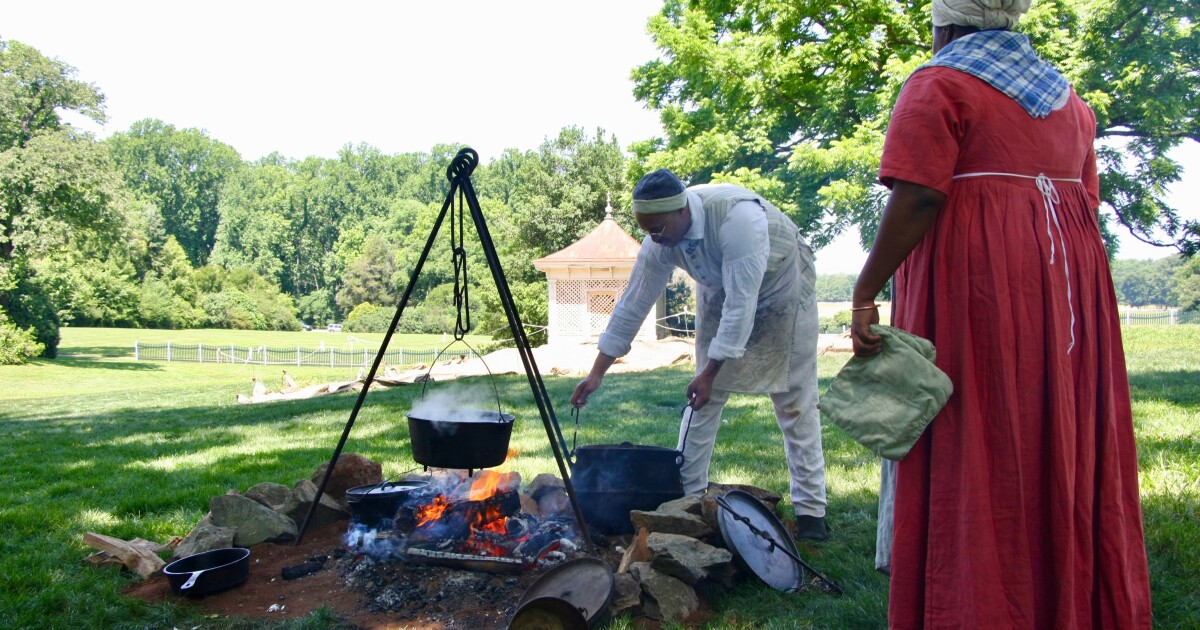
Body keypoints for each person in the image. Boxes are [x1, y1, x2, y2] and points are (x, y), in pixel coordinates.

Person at [851, 0, 1152, 627]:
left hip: (977, 285)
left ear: (945, 24)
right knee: (1054, 422)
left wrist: (865, 289)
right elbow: (1085, 203)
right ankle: (1062, 597)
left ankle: (980, 603)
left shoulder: (938, 84)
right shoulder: (1070, 103)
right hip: (1065, 293)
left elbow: (920, 195)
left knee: (974, 428)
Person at [570, 168, 829, 540]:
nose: (654, 239)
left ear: (682, 210)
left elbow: (742, 304)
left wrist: (711, 371)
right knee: (702, 400)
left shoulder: (739, 220)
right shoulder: (659, 238)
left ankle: (811, 511)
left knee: (794, 400)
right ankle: (687, 498)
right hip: (719, 286)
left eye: (658, 230)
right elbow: (632, 303)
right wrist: (597, 373)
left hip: (782, 284)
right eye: (647, 231)